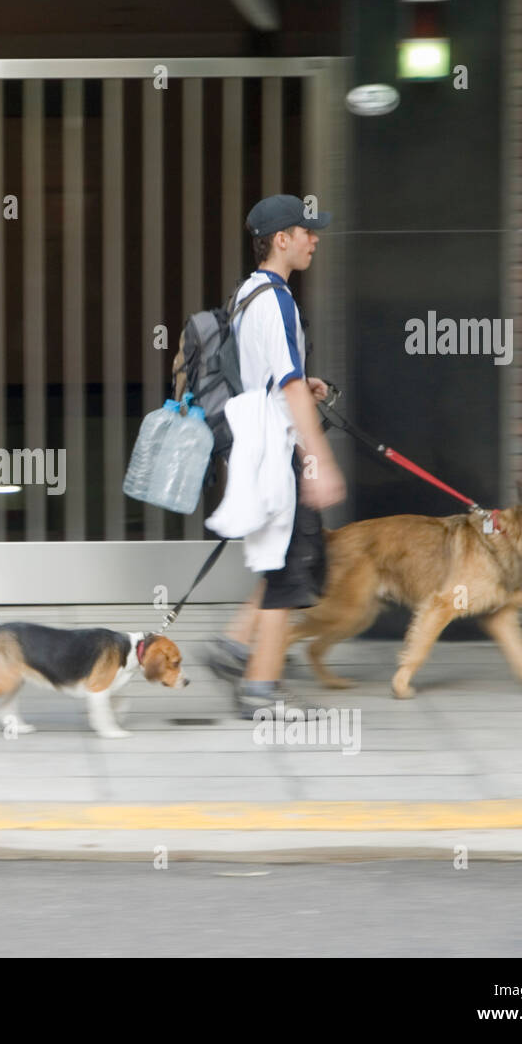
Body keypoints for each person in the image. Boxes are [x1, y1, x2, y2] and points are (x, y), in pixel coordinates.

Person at [203, 195, 345, 719]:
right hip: (276, 449)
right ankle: (260, 691)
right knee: (290, 567)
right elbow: (283, 386)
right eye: (306, 231)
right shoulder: (277, 298)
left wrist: (300, 384)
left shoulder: (248, 293)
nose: (314, 239)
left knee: (282, 559)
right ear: (280, 239)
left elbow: (270, 374)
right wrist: (320, 460)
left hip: (254, 443)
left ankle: (238, 649)